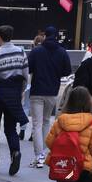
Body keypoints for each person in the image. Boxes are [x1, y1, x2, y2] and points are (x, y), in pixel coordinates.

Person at [0, 25, 29, 176]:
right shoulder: (21, 51)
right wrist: (20, 92)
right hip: (13, 95)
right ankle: (15, 151)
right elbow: (25, 74)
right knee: (11, 128)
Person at [27, 26, 72, 168]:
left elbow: (29, 68)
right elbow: (67, 71)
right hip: (52, 91)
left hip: (37, 91)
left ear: (45, 35)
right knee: (47, 121)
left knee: (36, 124)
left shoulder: (36, 51)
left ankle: (39, 156)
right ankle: (46, 154)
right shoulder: (62, 52)